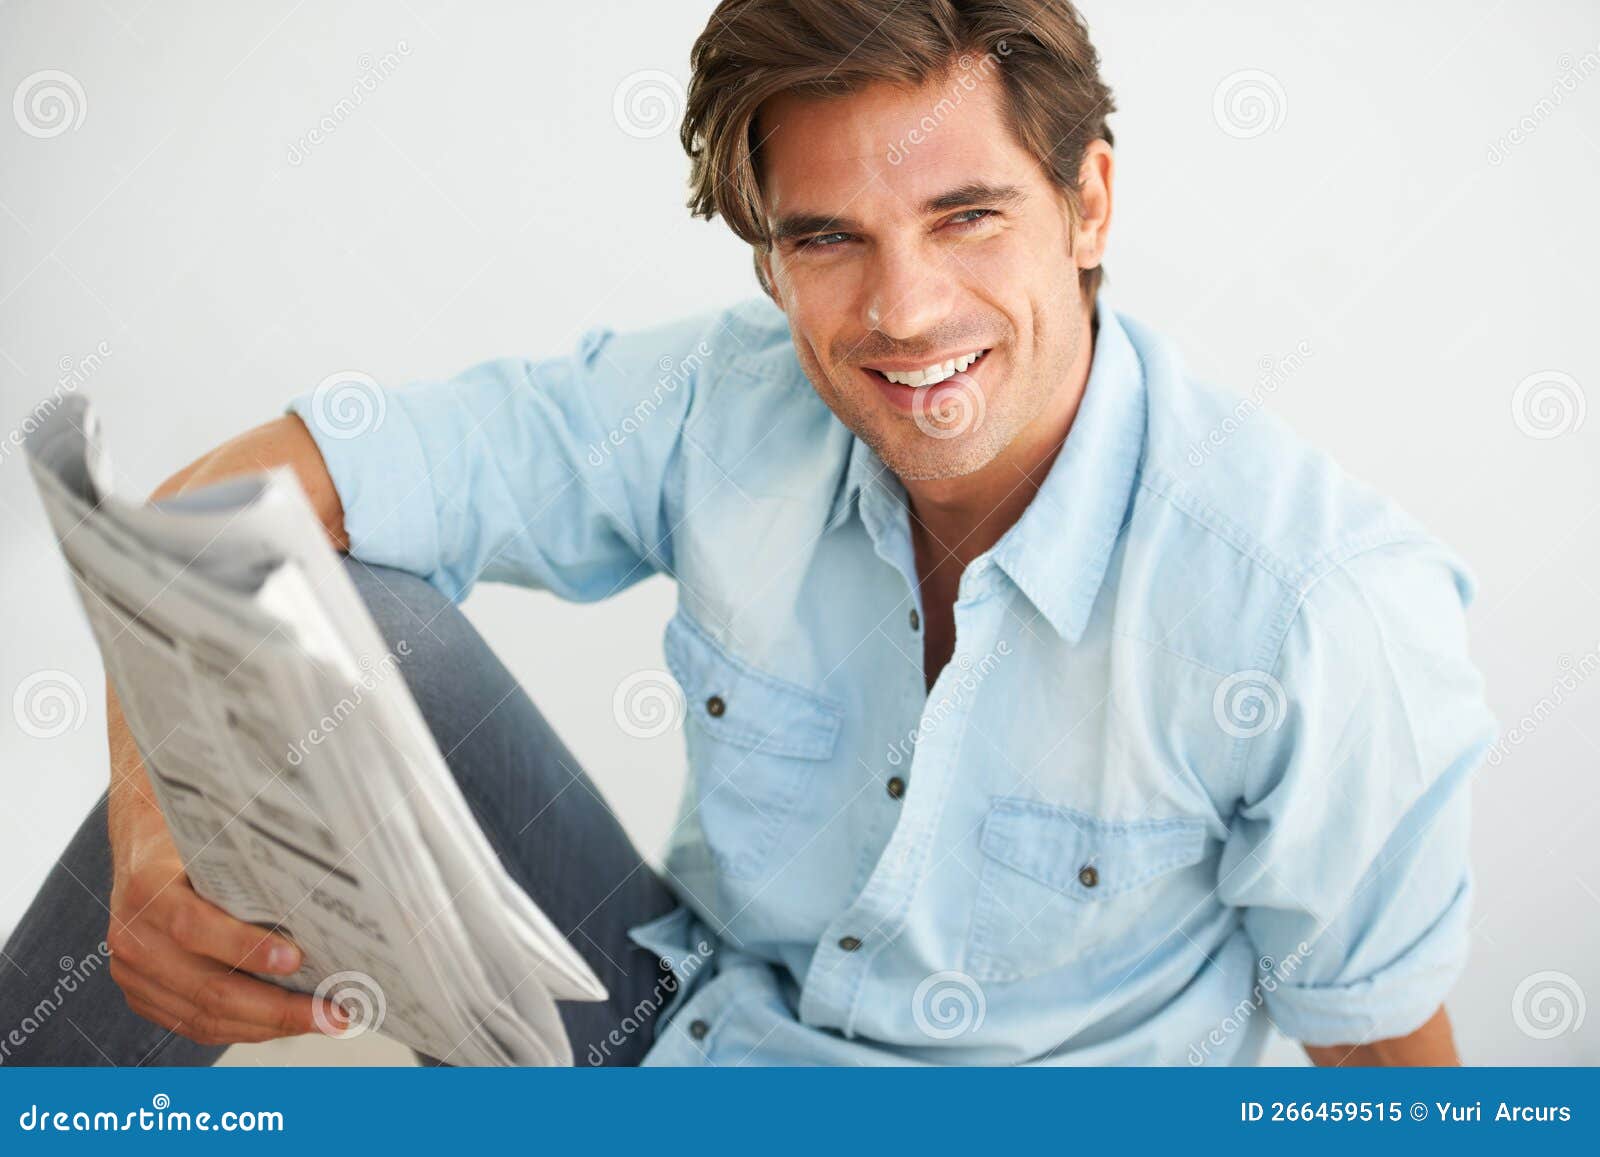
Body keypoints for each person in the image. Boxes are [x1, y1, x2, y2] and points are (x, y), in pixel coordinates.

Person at [1, 0, 1494, 1067]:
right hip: (683, 1051)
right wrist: (153, 823)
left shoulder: (1312, 607)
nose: (904, 310)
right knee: (319, 626)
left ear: (1087, 202)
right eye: (828, 237)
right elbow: (214, 503)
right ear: (771, 260)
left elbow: (1385, 1062)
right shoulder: (722, 399)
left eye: (967, 216)